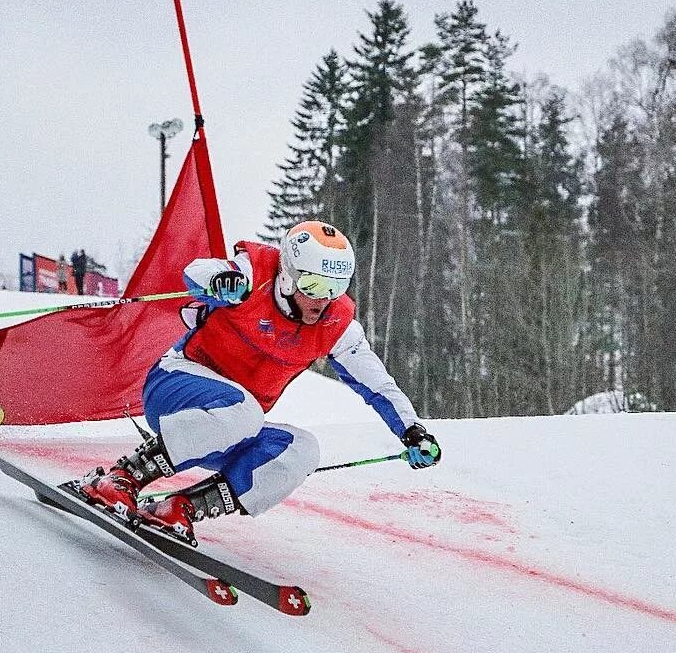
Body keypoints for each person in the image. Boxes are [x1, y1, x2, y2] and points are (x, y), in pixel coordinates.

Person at [75, 220, 441, 544]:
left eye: (336, 287)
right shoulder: (257, 273)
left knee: (303, 450)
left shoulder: (338, 323)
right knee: (244, 411)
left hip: (229, 429)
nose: (324, 301)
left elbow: (377, 383)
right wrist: (222, 280)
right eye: (313, 285)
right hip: (176, 386)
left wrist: (412, 430)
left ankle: (179, 507)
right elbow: (198, 271)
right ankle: (121, 478)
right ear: (288, 276)